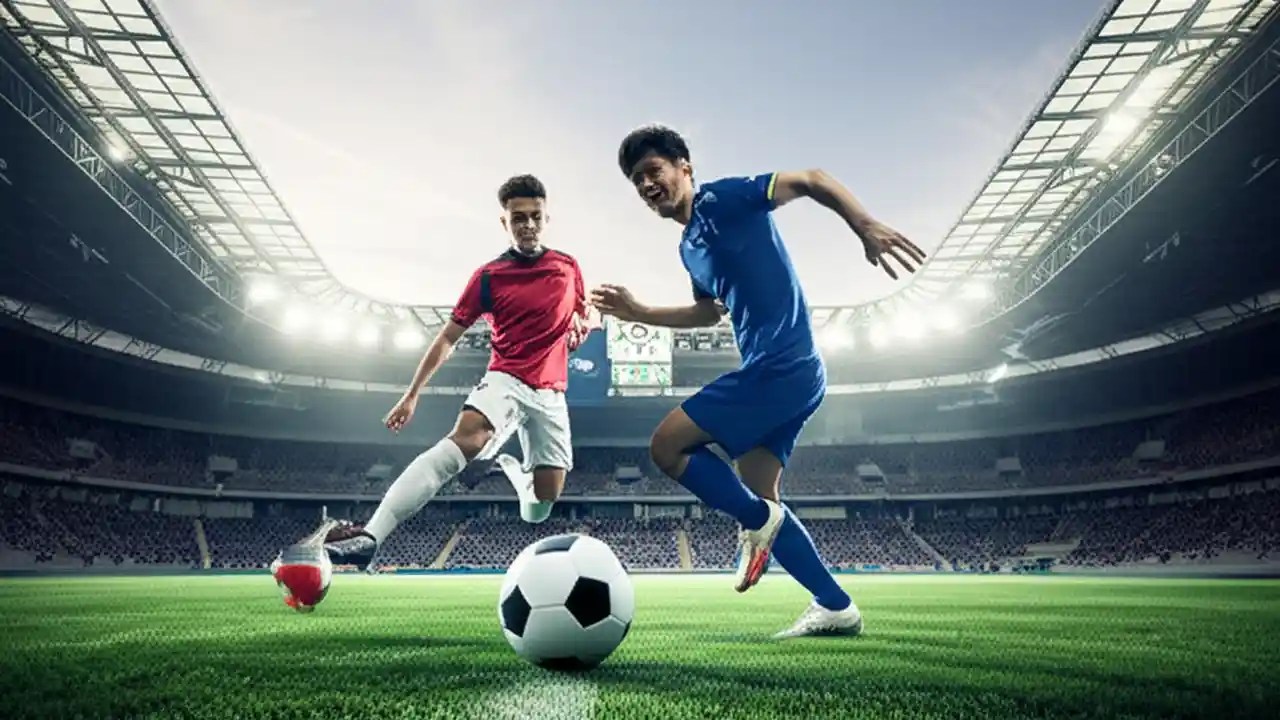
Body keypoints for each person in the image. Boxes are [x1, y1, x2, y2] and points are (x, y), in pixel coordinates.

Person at [591, 125, 924, 638]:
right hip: (790, 373)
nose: (646, 185)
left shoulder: (724, 199)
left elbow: (813, 179)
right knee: (761, 498)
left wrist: (864, 223)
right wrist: (638, 311)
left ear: (685, 166)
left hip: (780, 366)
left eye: (653, 171)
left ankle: (755, 523)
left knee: (665, 447)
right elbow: (708, 313)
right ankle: (835, 605)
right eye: (637, 181)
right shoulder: (688, 247)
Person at [321, 174, 599, 571]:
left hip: (552, 393)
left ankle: (520, 478)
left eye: (536, 216)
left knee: (542, 505)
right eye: (518, 218)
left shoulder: (568, 267)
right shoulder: (487, 277)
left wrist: (583, 327)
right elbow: (447, 338)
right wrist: (412, 393)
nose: (528, 225)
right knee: (465, 442)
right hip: (506, 378)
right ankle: (371, 537)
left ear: (546, 217)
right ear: (504, 223)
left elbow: (580, 317)